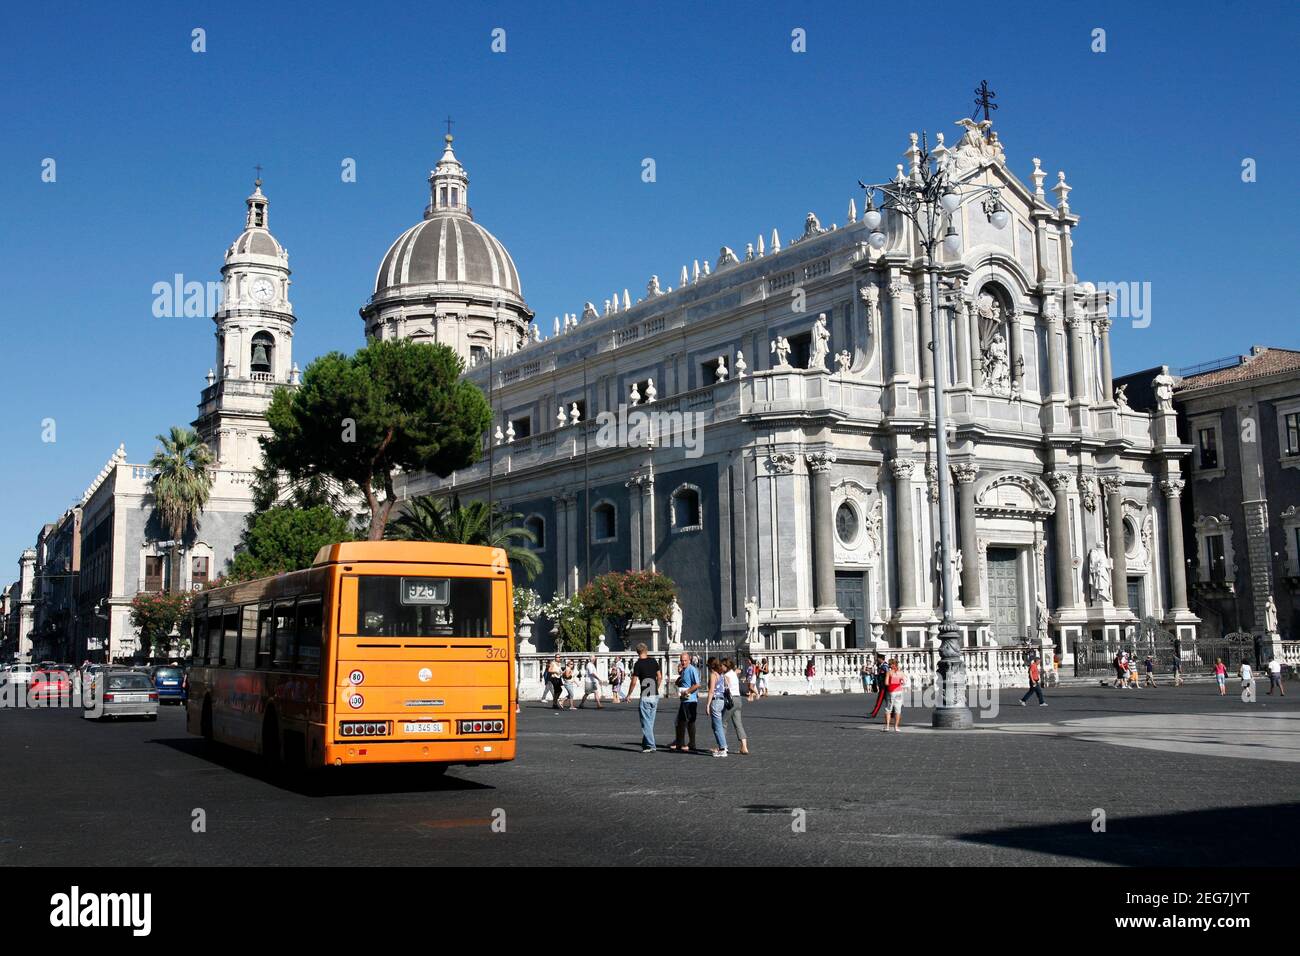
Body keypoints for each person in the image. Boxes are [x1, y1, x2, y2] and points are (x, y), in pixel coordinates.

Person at [630, 644, 662, 752]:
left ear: (637, 652)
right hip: (654, 694)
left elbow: (634, 682)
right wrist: (656, 687)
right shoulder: (653, 661)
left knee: (645, 722)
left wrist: (629, 694)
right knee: (650, 722)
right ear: (646, 651)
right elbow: (660, 676)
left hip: (645, 695)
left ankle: (652, 745)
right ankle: (646, 744)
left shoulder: (638, 664)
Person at [669, 652, 701, 752]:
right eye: (682, 660)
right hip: (684, 699)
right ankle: (680, 742)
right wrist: (679, 678)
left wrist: (687, 691)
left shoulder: (692, 669)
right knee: (681, 722)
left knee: (688, 722)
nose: (683, 662)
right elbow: (681, 682)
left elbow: (697, 684)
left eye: (685, 660)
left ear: (689, 660)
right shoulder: (684, 670)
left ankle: (689, 743)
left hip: (690, 700)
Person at [723, 658, 750, 755]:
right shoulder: (733, 674)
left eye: (722, 665)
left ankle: (723, 746)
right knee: (738, 724)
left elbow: (726, 688)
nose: (721, 667)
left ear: (726, 666)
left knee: (723, 722)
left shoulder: (726, 675)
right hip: (738, 699)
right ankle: (744, 747)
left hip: (731, 700)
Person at [705, 658, 728, 756]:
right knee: (716, 725)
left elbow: (711, 691)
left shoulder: (713, 675)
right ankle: (722, 746)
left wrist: (707, 704)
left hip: (716, 700)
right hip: (722, 700)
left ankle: (723, 748)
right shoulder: (721, 675)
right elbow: (727, 685)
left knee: (717, 725)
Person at [883, 659, 906, 732]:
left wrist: (891, 683)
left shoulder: (889, 672)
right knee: (898, 710)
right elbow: (904, 682)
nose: (889, 666)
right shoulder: (901, 673)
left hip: (891, 691)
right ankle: (896, 727)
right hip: (899, 691)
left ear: (892, 665)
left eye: (890, 664)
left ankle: (887, 727)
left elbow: (886, 683)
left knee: (888, 709)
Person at [869, 653, 890, 718]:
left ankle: (874, 713)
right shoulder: (881, 665)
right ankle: (892, 713)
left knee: (880, 700)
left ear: (881, 659)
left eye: (878, 658)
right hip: (882, 685)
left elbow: (887, 674)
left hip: (884, 686)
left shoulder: (885, 666)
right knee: (886, 700)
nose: (877, 659)